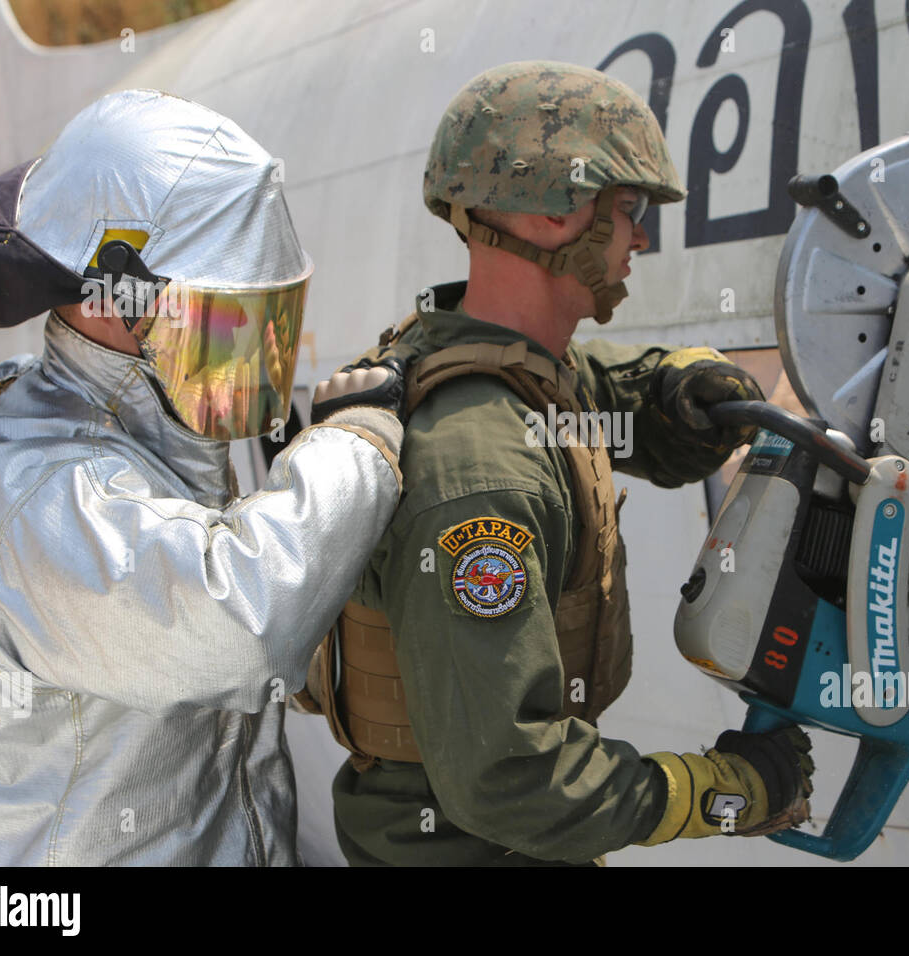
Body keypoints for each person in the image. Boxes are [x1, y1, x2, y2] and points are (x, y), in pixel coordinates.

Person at [311, 61, 814, 866]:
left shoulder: (477, 356)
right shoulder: (481, 472)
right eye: (629, 208)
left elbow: (589, 387)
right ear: (552, 216)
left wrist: (673, 391)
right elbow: (511, 781)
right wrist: (726, 789)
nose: (641, 236)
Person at [0, 89, 407, 865]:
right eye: (224, 330)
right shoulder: (53, 493)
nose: (246, 364)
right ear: (114, 301)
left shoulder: (145, 435)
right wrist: (358, 444)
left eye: (265, 333)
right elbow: (242, 623)